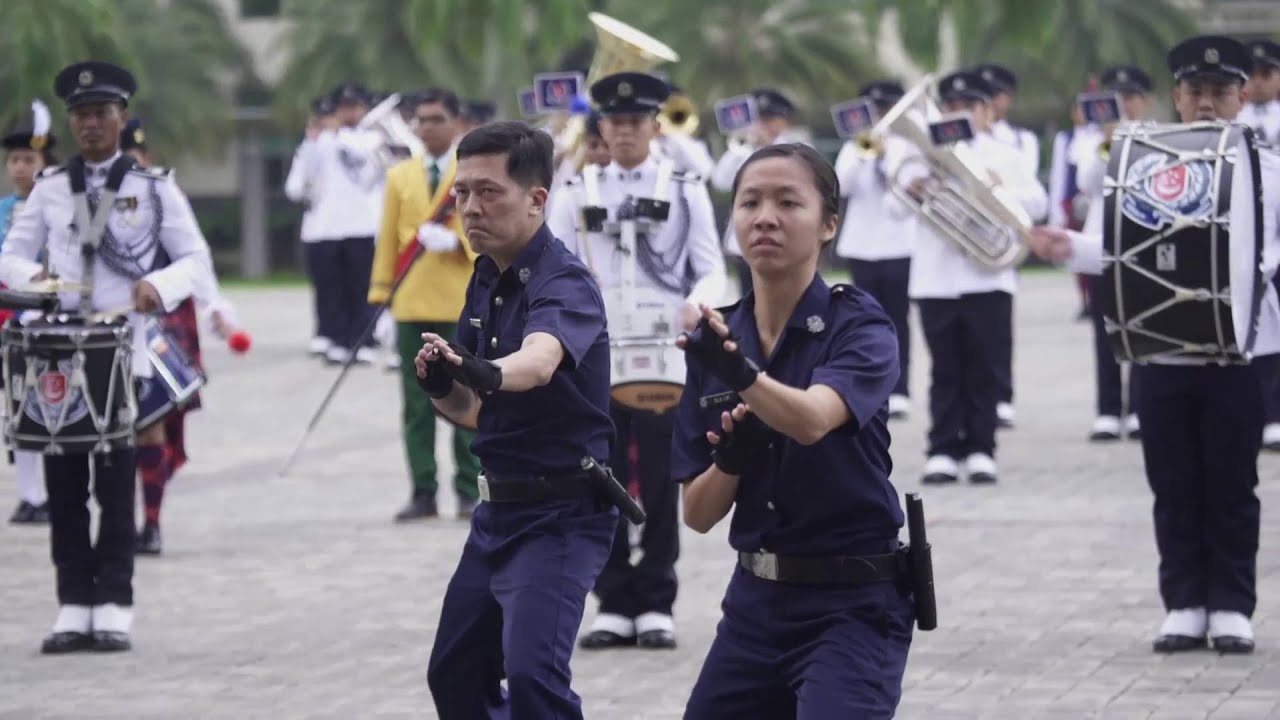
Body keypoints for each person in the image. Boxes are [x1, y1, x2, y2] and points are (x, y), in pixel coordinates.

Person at [1028, 35, 1280, 654]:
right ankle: (1184, 603)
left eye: (1220, 92)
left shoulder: (1271, 166)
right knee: (1171, 482)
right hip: (1159, 342)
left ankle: (1231, 604)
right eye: (1195, 92)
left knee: (1230, 481)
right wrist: (1066, 248)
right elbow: (1112, 242)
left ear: (1242, 95)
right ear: (1175, 95)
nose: (1206, 104)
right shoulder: (1144, 158)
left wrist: (1239, 277)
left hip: (1239, 345)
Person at [673, 143, 914, 717]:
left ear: (828, 224)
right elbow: (699, 514)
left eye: (788, 202)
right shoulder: (719, 336)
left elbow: (810, 420)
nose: (765, 218)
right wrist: (731, 460)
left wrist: (740, 372)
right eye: (749, 202)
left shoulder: (859, 325)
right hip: (755, 604)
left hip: (852, 603)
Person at [0, 60, 214, 653]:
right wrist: (33, 274)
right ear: (71, 123)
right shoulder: (48, 188)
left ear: (121, 118)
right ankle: (73, 602)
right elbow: (9, 255)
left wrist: (159, 287)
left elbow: (194, 258)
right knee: (64, 485)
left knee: (117, 486)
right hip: (60, 355)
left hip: (126, 351)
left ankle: (115, 602)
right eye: (82, 115)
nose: (91, 124)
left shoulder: (154, 187)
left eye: (102, 113)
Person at [420, 121, 618, 719]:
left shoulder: (565, 281)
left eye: (488, 192)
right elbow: (474, 410)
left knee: (535, 680)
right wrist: (440, 385)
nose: (470, 208)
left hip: (561, 515)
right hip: (497, 513)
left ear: (537, 199)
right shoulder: (484, 279)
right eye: (461, 193)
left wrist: (485, 370)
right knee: (454, 676)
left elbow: (539, 360)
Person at [547, 71, 727, 650]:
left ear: (654, 126)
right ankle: (613, 600)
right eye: (614, 123)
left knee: (658, 477)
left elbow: (711, 264)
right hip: (598, 357)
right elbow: (558, 268)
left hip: (663, 357)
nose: (624, 132)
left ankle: (656, 599)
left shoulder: (683, 185)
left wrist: (698, 306)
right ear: (601, 127)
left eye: (635, 123)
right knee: (599, 480)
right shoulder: (576, 190)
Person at [902, 70, 1047, 485]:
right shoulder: (921, 151)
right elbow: (896, 209)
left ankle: (982, 449)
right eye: (952, 107)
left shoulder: (1005, 153)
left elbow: (1037, 204)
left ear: (987, 114)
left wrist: (1001, 191)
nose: (961, 114)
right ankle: (943, 448)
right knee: (945, 368)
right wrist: (917, 187)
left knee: (983, 367)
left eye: (971, 107)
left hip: (988, 276)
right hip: (936, 277)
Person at [119, 116, 242, 555]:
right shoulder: (81, 196)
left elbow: (194, 257)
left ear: (146, 157)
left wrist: (216, 309)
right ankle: (121, 516)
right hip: (108, 324)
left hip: (166, 320)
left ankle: (150, 523)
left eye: (133, 158)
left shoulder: (161, 193)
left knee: (153, 423)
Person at [369, 87, 482, 522]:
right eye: (421, 120)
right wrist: (381, 296)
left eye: (437, 119)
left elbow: (487, 229)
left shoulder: (469, 173)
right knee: (416, 405)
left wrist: (456, 242)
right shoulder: (400, 176)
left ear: (456, 123)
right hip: (412, 302)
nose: (428, 128)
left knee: (467, 399)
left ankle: (469, 489)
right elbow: (387, 238)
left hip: (458, 301)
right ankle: (422, 490)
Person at [1071, 66, 1154, 442]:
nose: (1125, 105)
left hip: (1140, 242)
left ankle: (1139, 406)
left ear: (1143, 101)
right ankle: (1107, 409)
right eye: (1117, 98)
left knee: (1140, 328)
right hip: (1101, 245)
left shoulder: (1155, 137)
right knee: (1105, 331)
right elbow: (1087, 185)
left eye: (1131, 97)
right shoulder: (1091, 139)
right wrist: (1108, 143)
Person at [833, 80, 914, 419]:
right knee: (865, 320)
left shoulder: (909, 145)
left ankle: (900, 389)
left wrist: (887, 155)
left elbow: (910, 191)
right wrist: (866, 154)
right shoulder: (855, 146)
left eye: (884, 110)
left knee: (898, 320)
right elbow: (841, 184)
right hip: (863, 245)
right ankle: (869, 387)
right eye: (874, 110)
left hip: (900, 242)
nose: (879, 116)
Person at [975, 63, 1043, 429]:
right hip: (959, 251)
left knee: (997, 330)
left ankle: (1001, 396)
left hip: (1001, 239)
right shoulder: (940, 146)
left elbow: (1030, 190)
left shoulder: (1016, 142)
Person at [1, 100, 57, 525]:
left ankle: (52, 492)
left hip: (47, 320)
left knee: (48, 406)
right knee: (17, 408)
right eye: (14, 160)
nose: (20, 167)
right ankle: (30, 494)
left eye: (28, 159)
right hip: (7, 320)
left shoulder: (58, 207)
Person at [301, 82, 385, 365]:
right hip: (330, 225)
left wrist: (338, 135)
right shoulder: (323, 141)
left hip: (363, 224)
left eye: (355, 107)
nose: (349, 113)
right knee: (334, 289)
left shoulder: (372, 138)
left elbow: (368, 167)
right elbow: (305, 177)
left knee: (362, 287)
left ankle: (364, 340)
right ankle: (337, 340)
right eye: (344, 107)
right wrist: (313, 141)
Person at [711, 88, 802, 299]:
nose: (763, 124)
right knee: (748, 304)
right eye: (759, 118)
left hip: (785, 240)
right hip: (747, 240)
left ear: (784, 122)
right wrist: (742, 148)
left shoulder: (797, 149)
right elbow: (721, 181)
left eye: (770, 119)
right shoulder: (744, 150)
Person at [284, 95, 338, 358]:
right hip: (317, 227)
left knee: (347, 286)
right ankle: (325, 332)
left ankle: (346, 335)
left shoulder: (341, 144)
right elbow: (293, 187)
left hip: (343, 226)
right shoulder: (308, 148)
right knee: (323, 286)